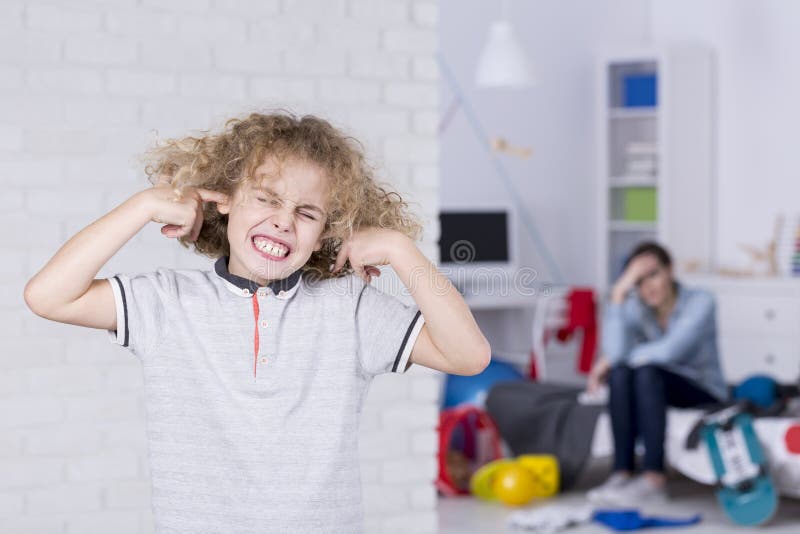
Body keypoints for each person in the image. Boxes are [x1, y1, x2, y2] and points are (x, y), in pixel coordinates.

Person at [24, 111, 491, 533]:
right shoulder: (167, 302)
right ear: (225, 199)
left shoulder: (348, 308)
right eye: (267, 198)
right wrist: (142, 206)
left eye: (306, 212)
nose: (283, 221)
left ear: (326, 231)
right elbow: (48, 296)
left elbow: (469, 355)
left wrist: (400, 250)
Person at [585, 242, 727, 505]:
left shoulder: (701, 301)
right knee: (620, 375)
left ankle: (654, 478)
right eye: (638, 280)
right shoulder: (635, 307)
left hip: (703, 389)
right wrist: (618, 293)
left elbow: (670, 351)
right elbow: (615, 355)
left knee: (645, 372)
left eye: (653, 274)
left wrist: (612, 360)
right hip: (657, 384)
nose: (647, 286)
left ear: (670, 271)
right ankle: (621, 473)